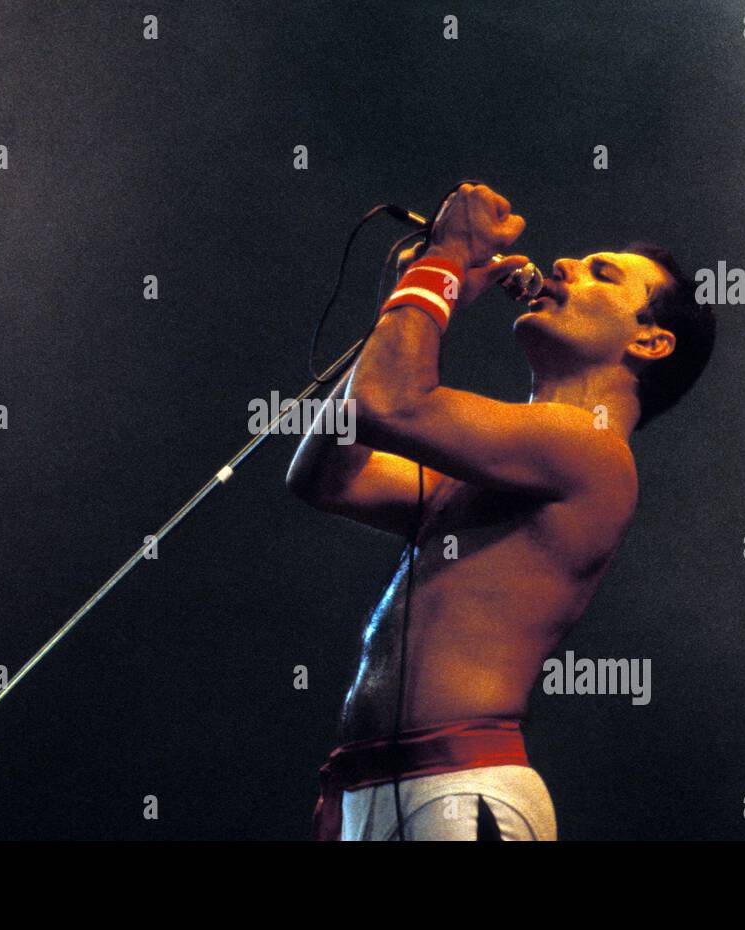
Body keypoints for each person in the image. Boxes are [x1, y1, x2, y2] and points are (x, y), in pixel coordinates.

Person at [286, 183, 716, 840]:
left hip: (457, 794)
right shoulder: (509, 465)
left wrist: (445, 262)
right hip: (376, 794)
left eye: (602, 274)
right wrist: (407, 307)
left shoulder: (588, 450)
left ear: (651, 342)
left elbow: (389, 406)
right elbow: (326, 477)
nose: (567, 265)